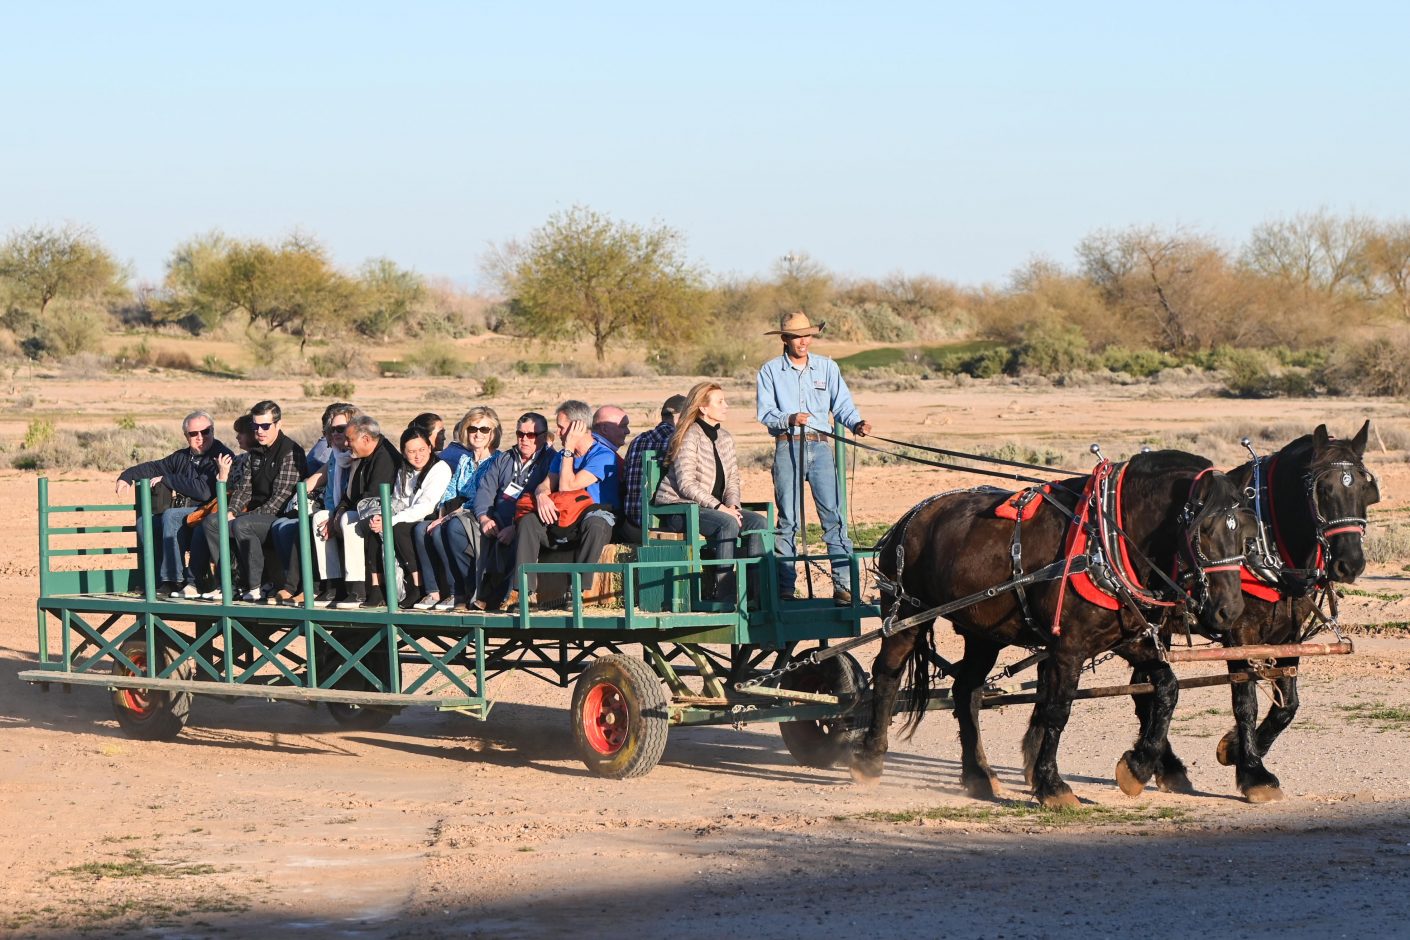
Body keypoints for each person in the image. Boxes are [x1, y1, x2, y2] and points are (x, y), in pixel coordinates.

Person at [755, 311, 872, 604]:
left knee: (833, 517)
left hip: (820, 447)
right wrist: (789, 417)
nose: (803, 341)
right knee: (788, 521)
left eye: (807, 335)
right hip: (787, 446)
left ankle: (843, 587)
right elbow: (766, 413)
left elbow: (842, 404)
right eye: (796, 336)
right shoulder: (769, 371)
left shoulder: (827, 367)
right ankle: (785, 588)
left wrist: (856, 423)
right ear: (785, 339)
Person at [653, 382, 768, 600]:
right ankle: (722, 592)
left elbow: (733, 477)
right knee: (728, 523)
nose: (726, 406)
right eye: (720, 402)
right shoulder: (688, 435)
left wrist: (732, 504)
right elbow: (686, 484)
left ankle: (754, 594)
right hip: (680, 508)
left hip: (713, 509)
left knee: (758, 523)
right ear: (703, 408)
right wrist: (721, 508)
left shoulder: (725, 437)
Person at [511, 400, 620, 609]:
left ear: (577, 427)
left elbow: (567, 486)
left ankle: (577, 590)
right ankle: (525, 592)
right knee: (528, 522)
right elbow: (545, 485)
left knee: (596, 523)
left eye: (561, 427)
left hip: (593, 516)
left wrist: (569, 448)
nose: (559, 433)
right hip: (564, 516)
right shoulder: (561, 456)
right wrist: (542, 496)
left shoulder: (603, 456)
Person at [116, 410, 233, 598]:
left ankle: (173, 580)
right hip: (185, 516)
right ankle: (157, 580)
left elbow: (204, 491)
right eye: (193, 434)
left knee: (171, 515)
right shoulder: (182, 457)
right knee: (145, 523)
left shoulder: (221, 455)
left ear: (213, 430)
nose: (200, 437)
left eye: (206, 431)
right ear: (186, 436)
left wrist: (168, 479)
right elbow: (154, 467)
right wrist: (127, 476)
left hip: (208, 512)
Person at [202, 401, 306, 602]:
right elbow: (244, 489)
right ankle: (229, 583)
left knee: (242, 524)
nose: (260, 431)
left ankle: (256, 586)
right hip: (256, 514)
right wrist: (231, 511)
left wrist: (241, 516)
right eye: (255, 426)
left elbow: (280, 499)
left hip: (282, 517)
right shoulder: (255, 452)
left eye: (265, 426)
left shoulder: (291, 451)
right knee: (212, 523)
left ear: (278, 424)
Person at [462, 412, 552, 611]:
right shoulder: (505, 459)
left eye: (531, 435)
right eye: (521, 434)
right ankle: (461, 593)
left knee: (519, 537)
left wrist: (514, 526)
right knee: (457, 531)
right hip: (496, 521)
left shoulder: (551, 461)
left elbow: (547, 501)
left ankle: (504, 597)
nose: (525, 439)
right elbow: (485, 490)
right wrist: (484, 517)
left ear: (544, 436)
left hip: (528, 522)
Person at [273, 403, 360, 605]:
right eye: (332, 430)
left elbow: (356, 494)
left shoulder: (356, 456)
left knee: (310, 526)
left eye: (341, 429)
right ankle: (294, 587)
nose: (336, 433)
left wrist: (334, 514)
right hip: (331, 510)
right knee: (298, 526)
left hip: (349, 513)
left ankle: (312, 588)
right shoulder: (335, 457)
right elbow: (309, 483)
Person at [421, 407, 501, 610]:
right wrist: (442, 514)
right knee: (428, 529)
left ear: (493, 433)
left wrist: (448, 516)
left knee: (449, 528)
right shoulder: (465, 460)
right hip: (459, 515)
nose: (478, 434)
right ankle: (455, 591)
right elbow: (450, 492)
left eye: (485, 429)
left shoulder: (498, 460)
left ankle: (469, 589)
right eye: (473, 428)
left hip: (483, 514)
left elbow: (480, 498)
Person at [364, 426, 452, 607]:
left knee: (398, 529)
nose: (418, 456)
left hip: (430, 516)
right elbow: (397, 499)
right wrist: (382, 516)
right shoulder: (404, 471)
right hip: (405, 514)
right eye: (411, 452)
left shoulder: (440, 468)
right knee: (372, 526)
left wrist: (390, 520)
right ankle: (376, 588)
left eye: (421, 450)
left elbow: (426, 506)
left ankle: (416, 585)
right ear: (404, 453)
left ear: (429, 447)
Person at [328, 415, 401, 608]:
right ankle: (331, 585)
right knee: (325, 518)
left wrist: (343, 513)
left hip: (382, 513)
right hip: (362, 509)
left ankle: (359, 588)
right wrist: (339, 510)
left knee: (350, 520)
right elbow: (350, 493)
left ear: (366, 439)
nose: (346, 443)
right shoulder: (361, 455)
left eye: (350, 440)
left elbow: (373, 497)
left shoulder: (385, 457)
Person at [623, 393, 686, 535]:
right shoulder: (679, 442)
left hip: (632, 523)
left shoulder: (638, 440)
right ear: (679, 417)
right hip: (660, 523)